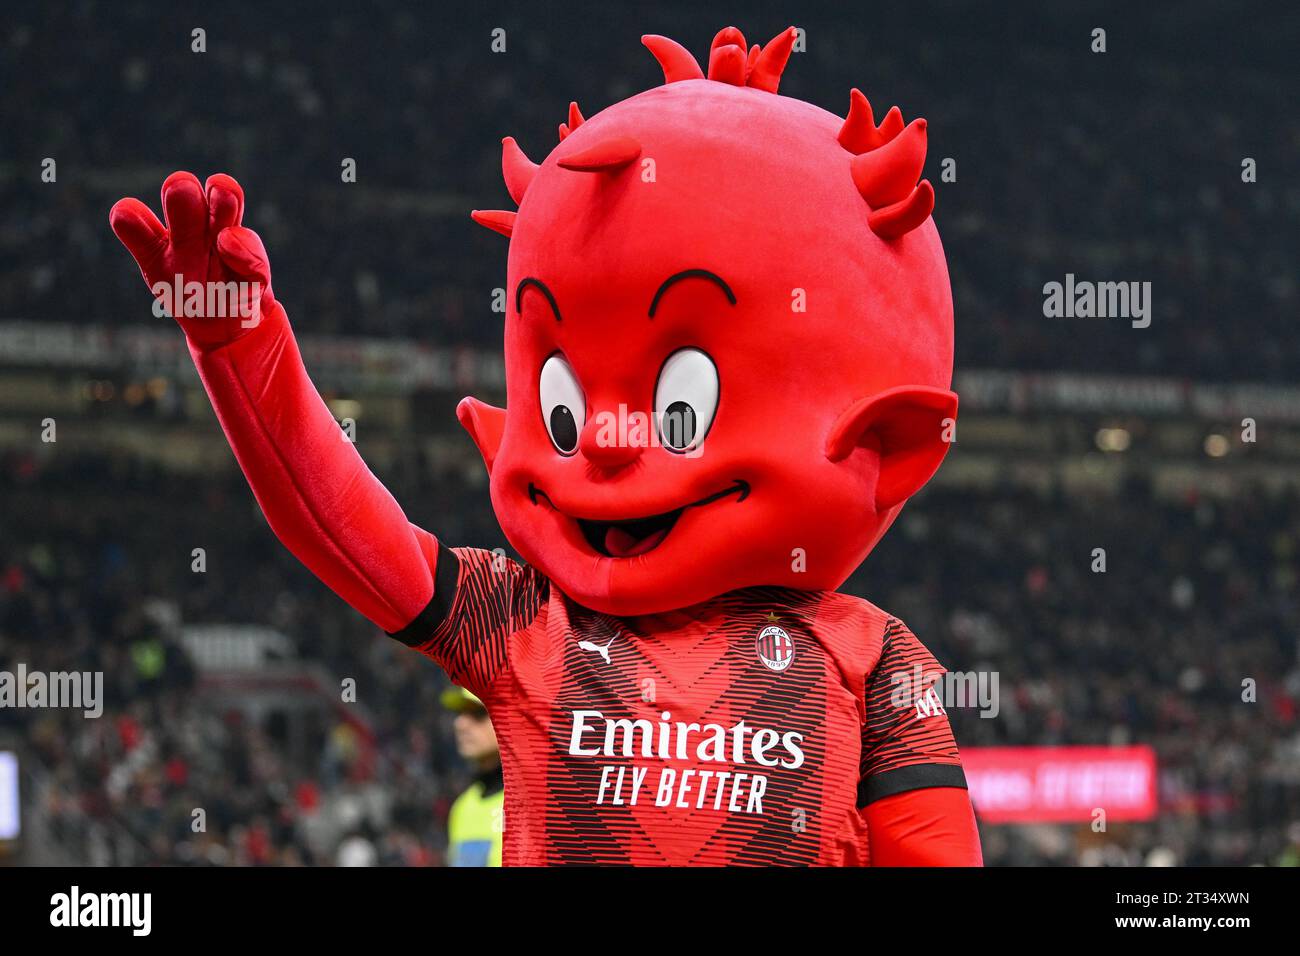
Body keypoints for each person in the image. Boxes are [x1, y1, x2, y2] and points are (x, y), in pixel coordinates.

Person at [108, 24, 981, 865]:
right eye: (563, 406)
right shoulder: (519, 618)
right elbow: (334, 519)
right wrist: (240, 341)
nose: (604, 438)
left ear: (885, 435)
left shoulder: (876, 663)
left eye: (681, 405)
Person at [441, 687, 504, 867]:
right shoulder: (461, 809)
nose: (460, 724)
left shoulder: (538, 804)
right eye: (460, 713)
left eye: (478, 713)